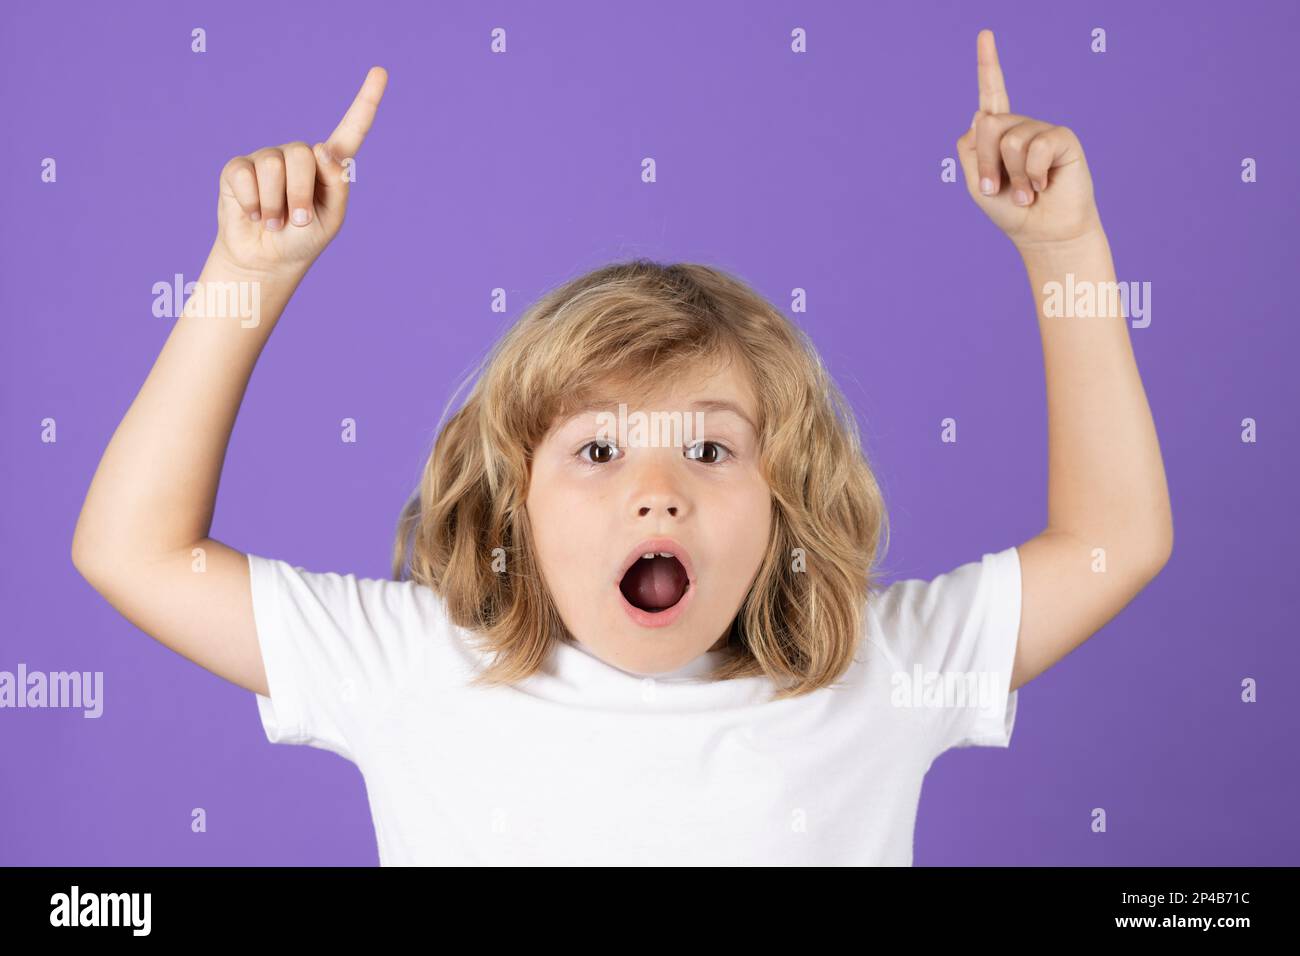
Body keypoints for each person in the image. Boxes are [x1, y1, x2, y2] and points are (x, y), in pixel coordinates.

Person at [71, 30, 1172, 865]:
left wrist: (1062, 246)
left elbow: (1112, 540)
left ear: (790, 500)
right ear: (513, 506)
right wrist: (245, 279)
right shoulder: (413, 662)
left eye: (710, 449)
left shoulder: (876, 672)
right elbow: (133, 551)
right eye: (597, 452)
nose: (656, 494)